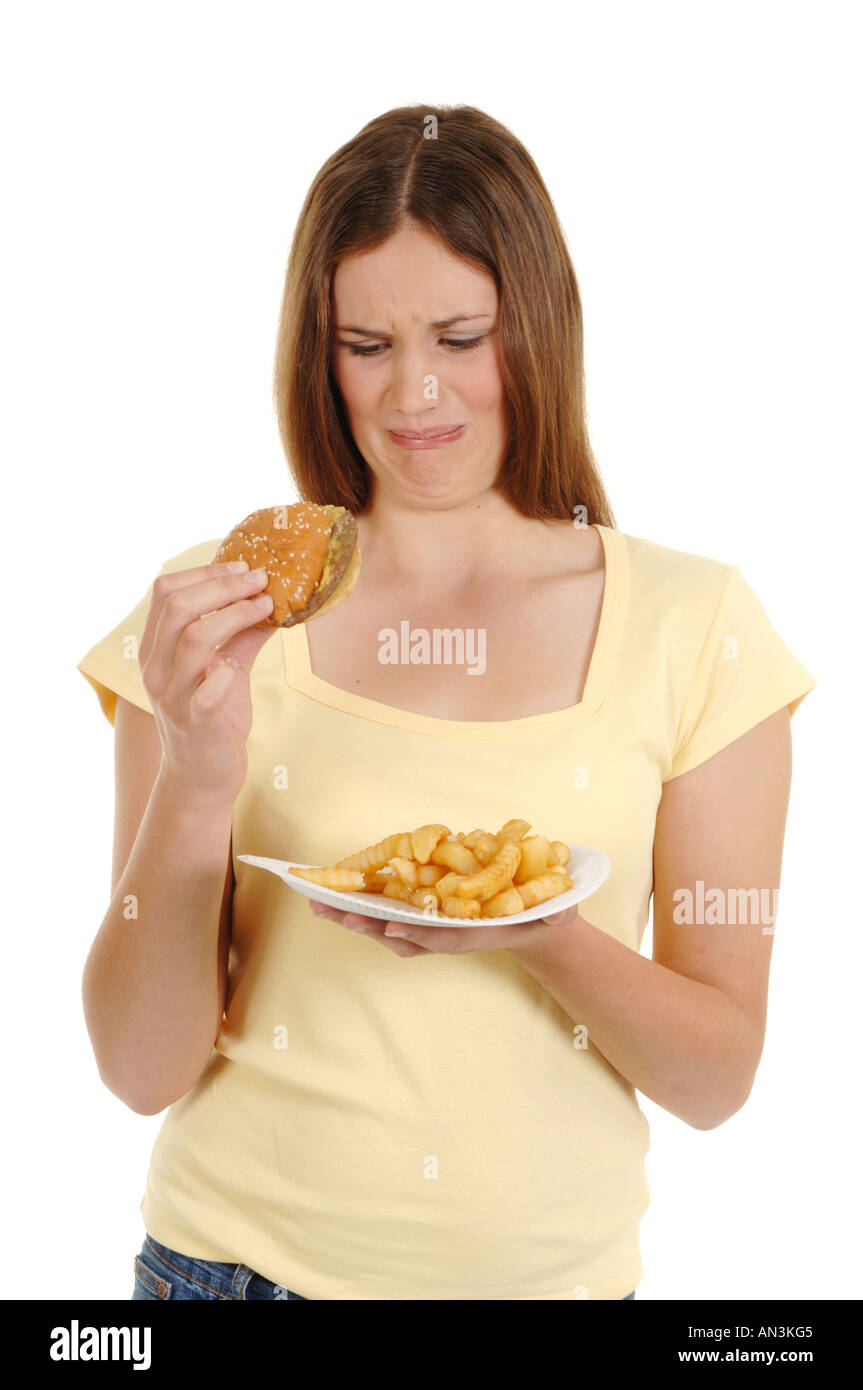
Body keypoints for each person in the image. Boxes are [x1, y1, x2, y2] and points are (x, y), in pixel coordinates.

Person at [76, 104, 816, 1302]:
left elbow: (714, 1080)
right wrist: (198, 778)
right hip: (227, 1278)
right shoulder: (212, 613)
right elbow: (136, 1064)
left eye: (460, 336)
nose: (415, 394)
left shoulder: (698, 627)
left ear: (537, 325)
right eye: (363, 344)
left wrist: (547, 937)